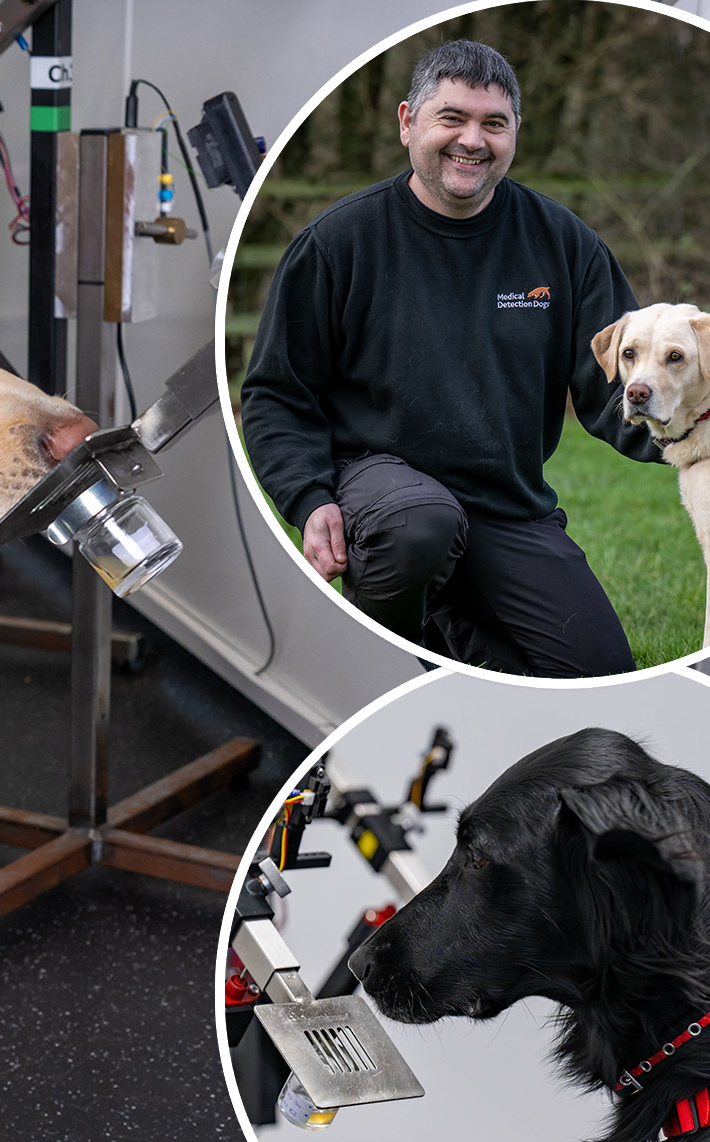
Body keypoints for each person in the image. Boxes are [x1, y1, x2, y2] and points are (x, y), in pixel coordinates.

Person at [240, 39, 659, 677]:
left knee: (597, 672)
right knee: (421, 527)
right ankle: (387, 658)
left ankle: (445, 623)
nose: (472, 140)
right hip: (381, 494)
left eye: (494, 124)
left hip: (506, 506)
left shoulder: (564, 244)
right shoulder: (337, 243)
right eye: (452, 118)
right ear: (408, 122)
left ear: (515, 133)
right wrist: (307, 496)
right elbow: (276, 393)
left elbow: (617, 385)